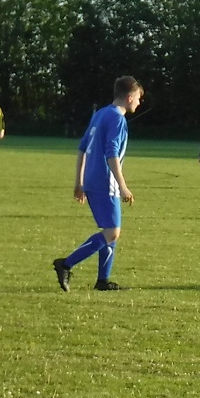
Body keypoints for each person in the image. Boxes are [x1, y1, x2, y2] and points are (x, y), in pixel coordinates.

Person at [53, 76, 141, 292]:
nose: (139, 102)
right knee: (112, 232)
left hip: (92, 179)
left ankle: (103, 280)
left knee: (109, 229)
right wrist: (122, 186)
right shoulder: (117, 119)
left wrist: (79, 181)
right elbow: (111, 153)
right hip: (105, 181)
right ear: (129, 97)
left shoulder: (101, 113)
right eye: (139, 98)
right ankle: (65, 264)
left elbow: (83, 147)